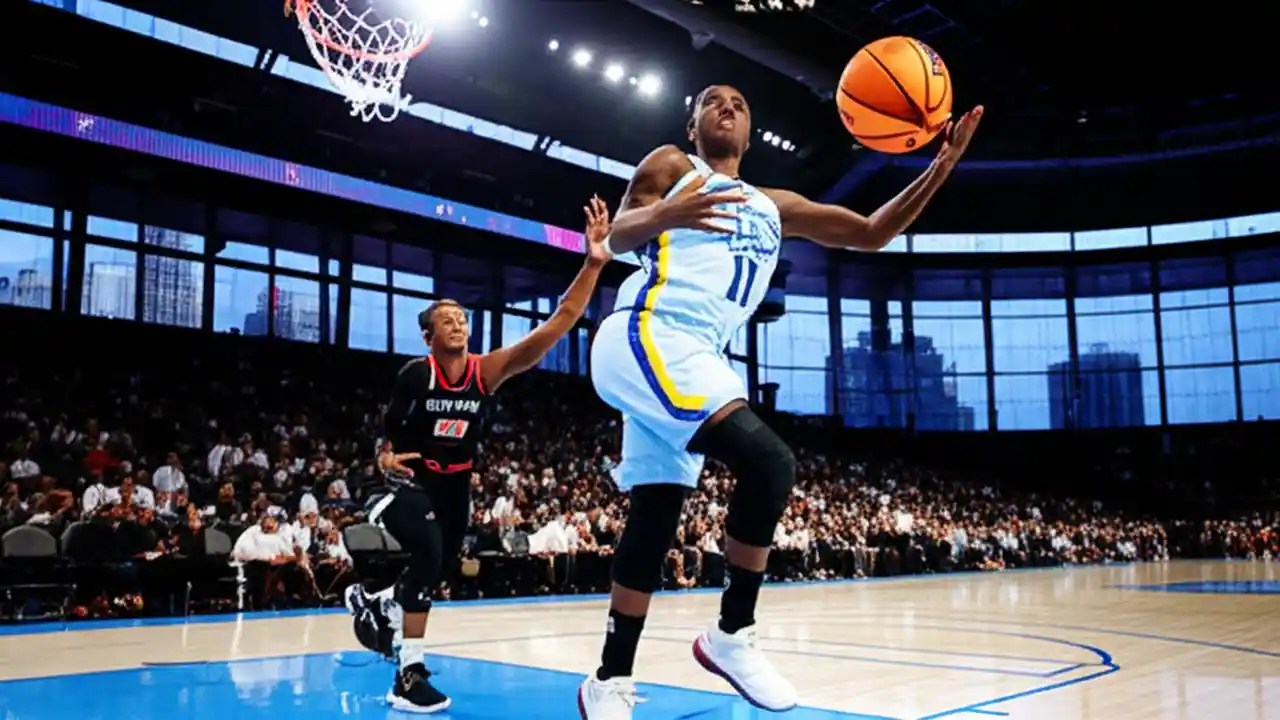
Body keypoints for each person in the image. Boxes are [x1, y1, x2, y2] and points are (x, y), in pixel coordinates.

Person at [577, 85, 982, 718]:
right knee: (770, 463)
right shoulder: (673, 166)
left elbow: (871, 232)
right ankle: (731, 633)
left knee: (655, 519)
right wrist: (669, 214)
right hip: (650, 332)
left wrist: (942, 166)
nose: (728, 106)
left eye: (740, 102)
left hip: (701, 354)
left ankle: (609, 680)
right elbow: (616, 238)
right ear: (693, 125)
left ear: (750, 128)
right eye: (713, 100)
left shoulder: (774, 206)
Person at [345, 195, 613, 713]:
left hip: (454, 484)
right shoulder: (415, 375)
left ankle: (377, 601)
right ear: (428, 336)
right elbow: (385, 431)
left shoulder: (485, 372)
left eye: (462, 318)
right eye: (447, 320)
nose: (458, 324)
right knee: (427, 551)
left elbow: (557, 323)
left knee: (440, 564)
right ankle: (408, 675)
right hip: (401, 482)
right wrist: (383, 458)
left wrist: (594, 262)